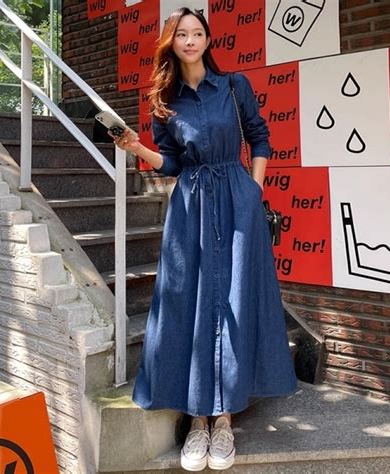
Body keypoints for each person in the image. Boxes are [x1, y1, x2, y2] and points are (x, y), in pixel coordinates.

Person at [111, 7, 297, 472]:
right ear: (171, 43)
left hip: (236, 200)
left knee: (234, 300)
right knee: (190, 302)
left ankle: (225, 420)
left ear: (208, 39)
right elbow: (171, 162)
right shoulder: (164, 100)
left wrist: (253, 191)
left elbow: (259, 137)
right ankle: (197, 420)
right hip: (190, 206)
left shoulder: (234, 86)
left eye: (197, 33)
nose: (191, 41)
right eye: (182, 34)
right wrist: (136, 148)